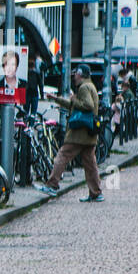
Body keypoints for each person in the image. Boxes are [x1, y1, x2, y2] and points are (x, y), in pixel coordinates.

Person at [35, 65, 103, 202]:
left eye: (75, 74)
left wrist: (73, 99)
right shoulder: (91, 86)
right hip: (89, 132)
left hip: (80, 132)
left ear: (80, 74)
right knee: (90, 163)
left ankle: (52, 185)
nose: (74, 77)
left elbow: (87, 105)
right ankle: (96, 192)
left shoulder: (84, 88)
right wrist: (57, 99)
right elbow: (79, 105)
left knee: (63, 155)